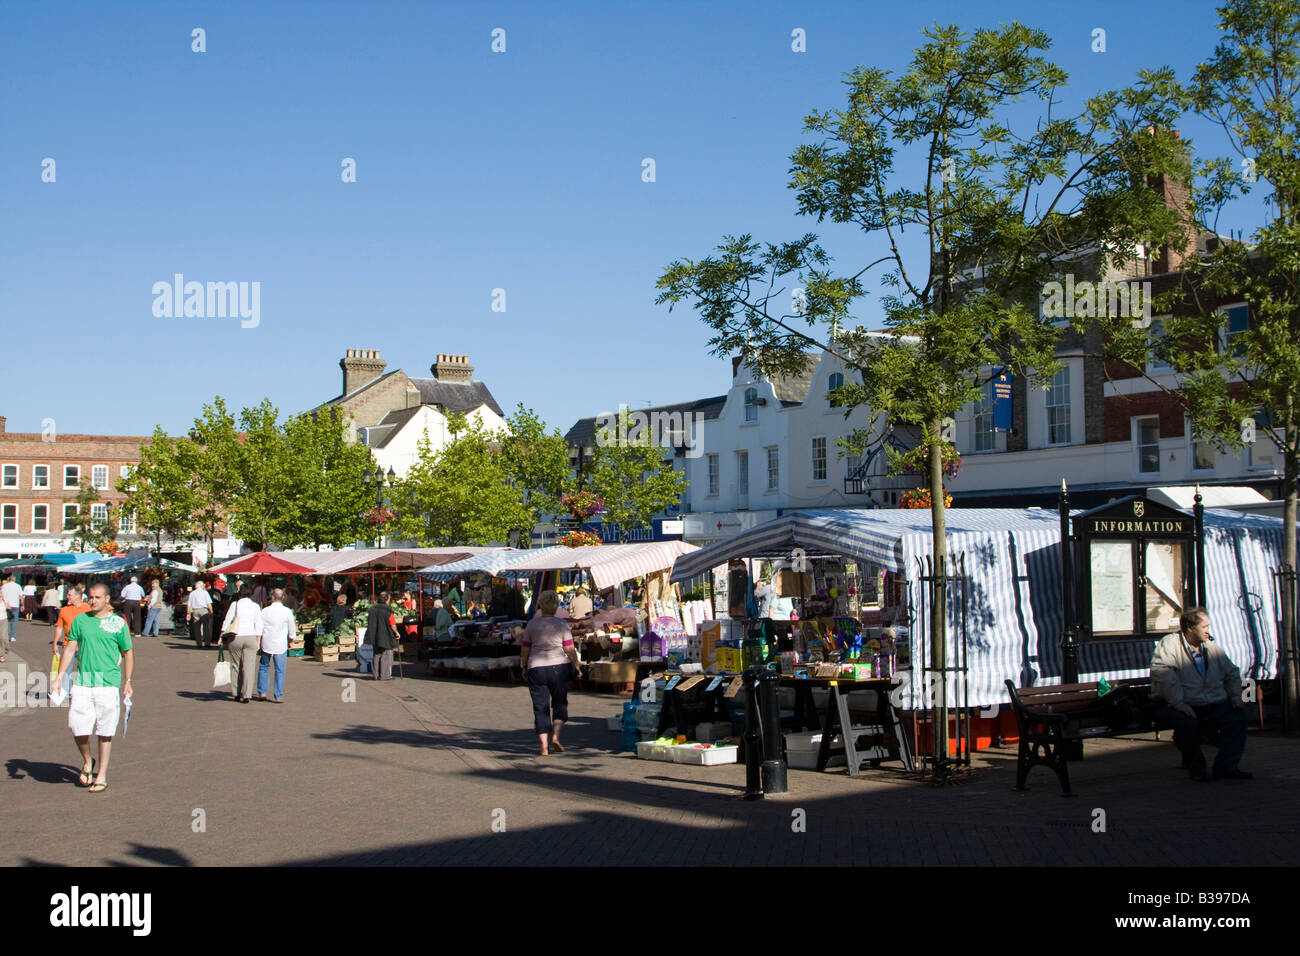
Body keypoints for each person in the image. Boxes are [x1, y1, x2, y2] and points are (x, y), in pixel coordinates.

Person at [1150, 607, 1252, 782]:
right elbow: (1163, 673)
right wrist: (1178, 703)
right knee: (1185, 721)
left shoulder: (1210, 647)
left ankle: (1226, 766)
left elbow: (1232, 672)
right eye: (1204, 626)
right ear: (1190, 628)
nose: (1208, 630)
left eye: (1208, 626)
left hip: (1210, 703)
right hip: (1178, 703)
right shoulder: (1170, 644)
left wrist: (1236, 696)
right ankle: (1197, 768)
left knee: (1239, 716)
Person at [53, 582, 134, 793]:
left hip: (108, 683)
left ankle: (102, 775)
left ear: (107, 599)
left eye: (97, 597)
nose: (93, 601)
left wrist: (128, 681)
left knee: (105, 731)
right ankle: (88, 760)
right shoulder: (81, 620)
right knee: (77, 726)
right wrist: (59, 676)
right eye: (91, 597)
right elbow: (71, 648)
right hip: (83, 681)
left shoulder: (118, 623)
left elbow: (128, 652)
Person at [519, 589, 582, 756]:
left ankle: (544, 747)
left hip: (536, 668)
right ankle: (555, 736)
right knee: (560, 703)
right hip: (559, 667)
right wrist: (576, 665)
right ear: (555, 606)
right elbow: (569, 648)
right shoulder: (561, 624)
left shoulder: (532, 624)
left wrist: (524, 666)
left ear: (540, 604)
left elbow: (525, 649)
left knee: (540, 707)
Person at [219, 585, 263, 703]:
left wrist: (221, 635)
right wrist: (258, 641)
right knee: (249, 667)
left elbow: (227, 621)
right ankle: (247, 694)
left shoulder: (235, 605)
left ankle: (236, 692)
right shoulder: (255, 606)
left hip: (236, 637)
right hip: (251, 637)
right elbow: (259, 624)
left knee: (236, 665)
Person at [257, 588, 296, 703]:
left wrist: (258, 640)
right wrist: (291, 639)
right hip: (280, 644)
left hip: (267, 642)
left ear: (272, 597)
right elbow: (292, 628)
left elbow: (259, 627)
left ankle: (262, 692)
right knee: (280, 670)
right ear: (283, 597)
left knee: (264, 667)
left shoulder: (265, 611)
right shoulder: (287, 611)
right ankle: (278, 695)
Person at [365, 590, 401, 681]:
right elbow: (392, 624)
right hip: (385, 635)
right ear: (387, 600)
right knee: (387, 654)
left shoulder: (372, 609)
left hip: (374, 635)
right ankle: (385, 676)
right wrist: (396, 632)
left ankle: (376, 675)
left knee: (376, 655)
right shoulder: (388, 610)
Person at [187, 580, 214, 647]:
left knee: (197, 628)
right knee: (206, 627)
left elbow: (189, 605)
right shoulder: (205, 593)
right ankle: (207, 643)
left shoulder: (192, 593)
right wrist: (211, 611)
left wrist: (188, 613)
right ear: (202, 586)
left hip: (195, 610)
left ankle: (199, 643)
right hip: (204, 610)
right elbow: (208, 603)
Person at [2, 574, 21, 642]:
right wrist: (23, 605)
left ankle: (5, 635)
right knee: (14, 621)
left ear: (9, 579)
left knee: (6, 620)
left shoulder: (5, 586)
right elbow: (21, 596)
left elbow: (2, 596)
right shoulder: (18, 586)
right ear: (14, 580)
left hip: (6, 605)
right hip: (15, 605)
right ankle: (12, 636)